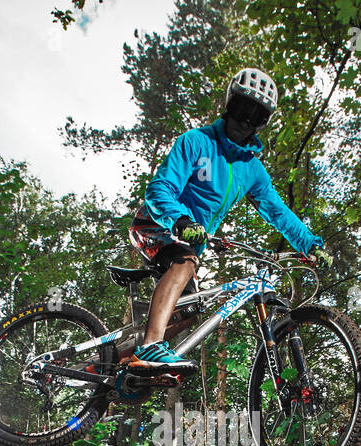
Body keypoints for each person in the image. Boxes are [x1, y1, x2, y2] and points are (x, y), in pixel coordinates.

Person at [126, 67, 332, 374]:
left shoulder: (253, 170)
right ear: (228, 105)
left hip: (189, 240)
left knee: (189, 311)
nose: (245, 122)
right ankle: (149, 348)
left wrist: (311, 244)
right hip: (156, 224)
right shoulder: (196, 142)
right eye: (241, 110)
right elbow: (160, 189)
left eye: (256, 116)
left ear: (263, 123)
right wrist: (180, 220)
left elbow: (277, 212)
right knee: (185, 262)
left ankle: (123, 358)